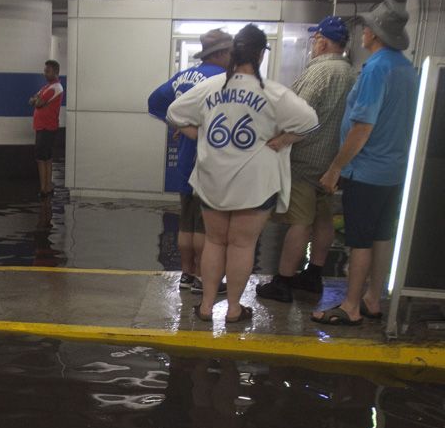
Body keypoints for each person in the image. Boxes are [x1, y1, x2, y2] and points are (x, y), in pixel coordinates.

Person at [167, 24, 318, 324]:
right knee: (242, 245)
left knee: (214, 242)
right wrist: (283, 139)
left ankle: (206, 306)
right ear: (261, 55)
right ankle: (234, 308)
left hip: (213, 180)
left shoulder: (211, 87)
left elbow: (174, 113)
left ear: (234, 53)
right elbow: (310, 121)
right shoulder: (273, 92)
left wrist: (200, 134)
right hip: (255, 183)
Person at [312, 0, 419, 326]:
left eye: (367, 27)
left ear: (375, 33)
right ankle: (373, 299)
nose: (363, 31)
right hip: (394, 170)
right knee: (382, 235)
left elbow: (362, 127)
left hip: (367, 170)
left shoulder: (375, 69)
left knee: (358, 239)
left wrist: (335, 168)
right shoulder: (407, 68)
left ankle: (351, 306)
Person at [257, 17, 356, 303]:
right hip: (333, 162)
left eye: (315, 40)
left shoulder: (319, 72)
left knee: (299, 222)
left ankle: (284, 281)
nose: (313, 45)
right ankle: (313, 275)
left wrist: (280, 138)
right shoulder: (352, 73)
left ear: (323, 42)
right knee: (322, 218)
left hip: (305, 160)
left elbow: (298, 114)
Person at [148, 29, 233, 293]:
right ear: (221, 53)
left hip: (186, 157)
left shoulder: (183, 76)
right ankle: (201, 277)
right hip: (210, 160)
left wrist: (179, 125)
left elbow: (154, 102)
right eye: (231, 52)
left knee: (186, 221)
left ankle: (186, 274)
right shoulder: (223, 79)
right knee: (206, 225)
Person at [28, 60, 64, 198]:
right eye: (45, 71)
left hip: (46, 128)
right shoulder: (46, 87)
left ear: (56, 72)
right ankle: (47, 186)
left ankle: (44, 188)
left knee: (41, 158)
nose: (45, 73)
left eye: (48, 71)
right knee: (47, 157)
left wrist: (37, 100)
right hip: (45, 127)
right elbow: (31, 100)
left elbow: (38, 102)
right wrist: (36, 100)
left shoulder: (54, 88)